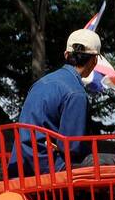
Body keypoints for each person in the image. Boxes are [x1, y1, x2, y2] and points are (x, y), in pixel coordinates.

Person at [9, 29, 102, 177]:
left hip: (21, 165)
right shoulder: (76, 93)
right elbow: (72, 148)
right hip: (51, 166)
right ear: (94, 60)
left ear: (66, 55)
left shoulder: (40, 83)